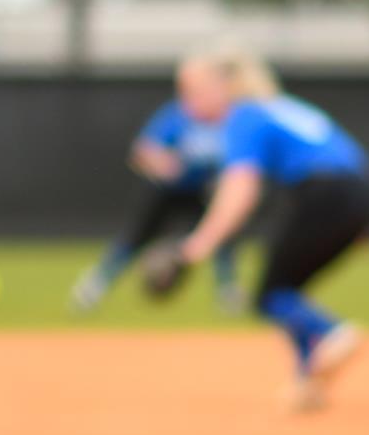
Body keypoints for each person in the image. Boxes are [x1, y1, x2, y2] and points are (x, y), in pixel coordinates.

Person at [170, 48, 369, 410]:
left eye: (192, 92)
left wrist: (197, 245)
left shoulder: (244, 115)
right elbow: (349, 156)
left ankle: (332, 334)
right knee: (286, 290)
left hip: (325, 193)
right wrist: (361, 221)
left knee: (269, 294)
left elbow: (240, 190)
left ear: (223, 86)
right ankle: (308, 384)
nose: (186, 105)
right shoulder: (282, 106)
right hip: (358, 194)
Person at [69, 96, 242, 314]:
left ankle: (228, 290)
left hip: (203, 190)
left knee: (220, 234)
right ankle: (95, 286)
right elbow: (142, 151)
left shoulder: (226, 120)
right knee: (135, 238)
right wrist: (164, 165)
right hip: (167, 190)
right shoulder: (178, 116)